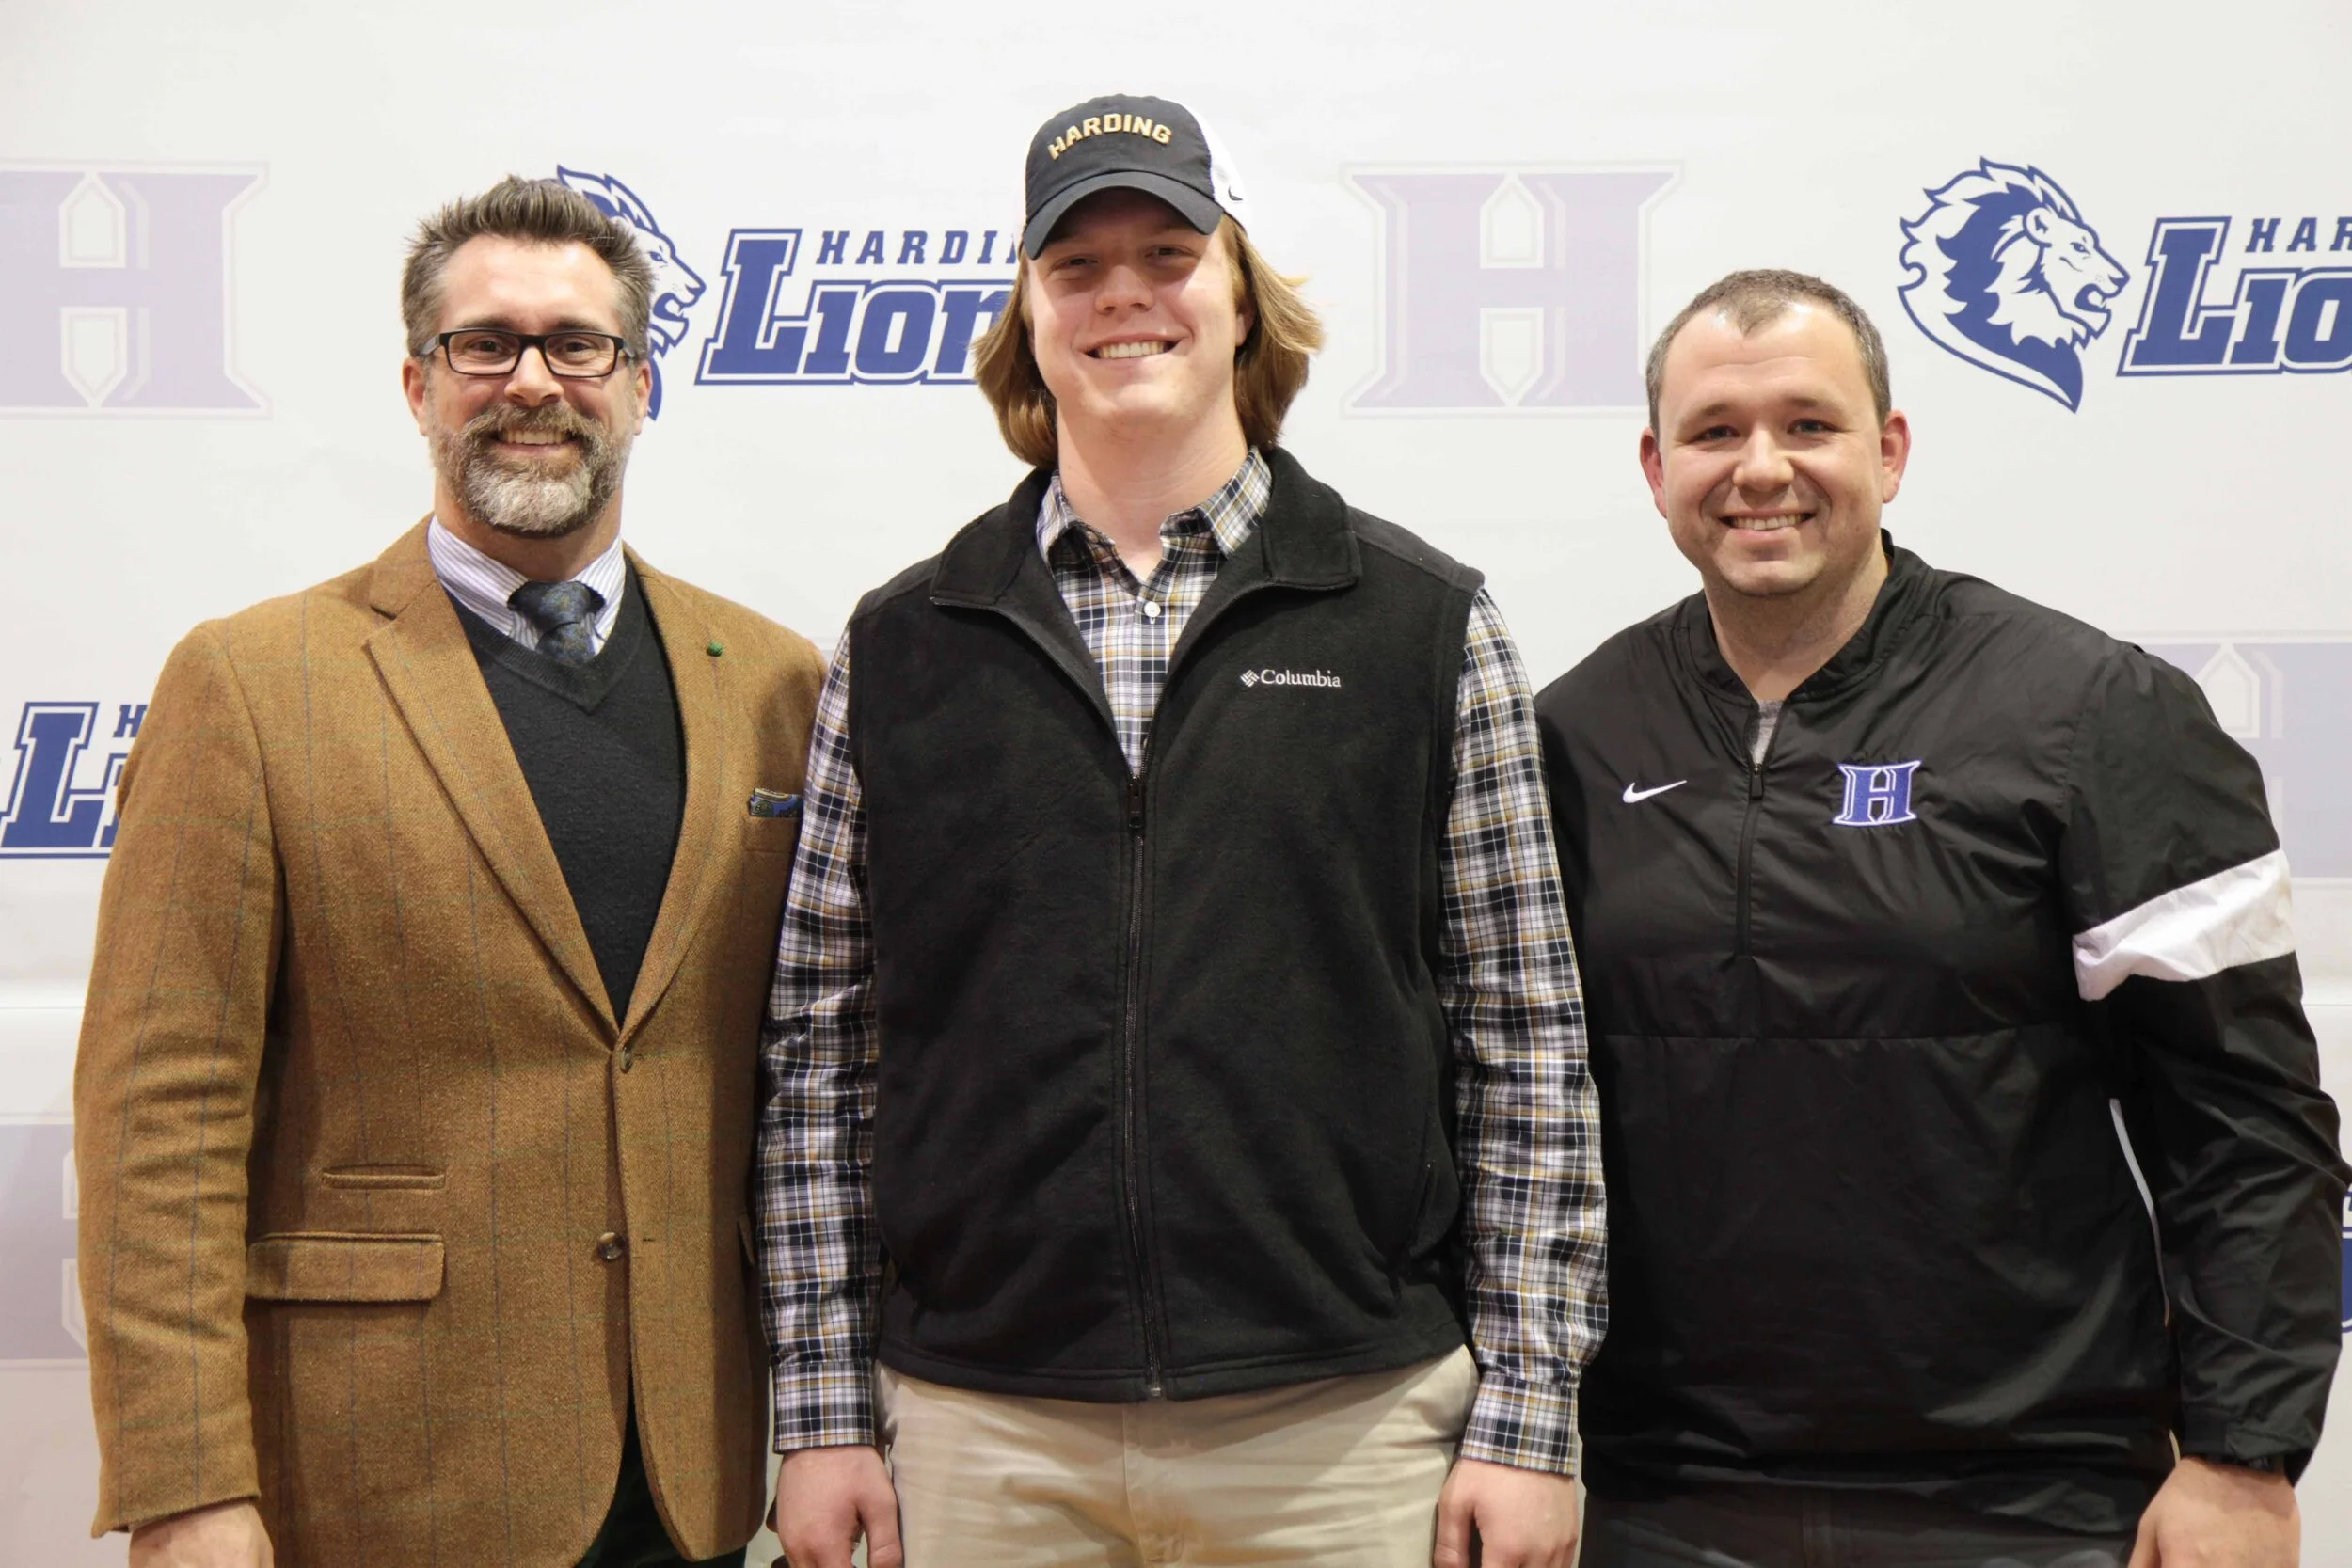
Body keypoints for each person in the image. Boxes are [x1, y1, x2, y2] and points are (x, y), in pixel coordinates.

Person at [757, 95, 1605, 1568]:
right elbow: (824, 1050)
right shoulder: (901, 645)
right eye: (1075, 266)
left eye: (1168, 252)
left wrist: (1531, 1413)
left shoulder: (1422, 624)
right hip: (980, 1431)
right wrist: (822, 1407)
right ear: (1029, 317)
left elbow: (1526, 1037)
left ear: (1241, 296)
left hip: (1347, 1428)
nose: (1123, 295)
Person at [1534, 268, 2348, 1568]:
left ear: (1891, 451)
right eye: (1715, 432)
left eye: (1809, 425)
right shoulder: (1571, 737)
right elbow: (1508, 1120)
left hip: (2031, 1499)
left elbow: (2244, 1118)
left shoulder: (2093, 714)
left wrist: (2243, 1457)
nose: (1762, 469)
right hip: (1661, 1495)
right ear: (1655, 467)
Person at [72, 177, 825, 1568]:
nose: (532, 381)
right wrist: (184, 1482)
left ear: (640, 384)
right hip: (379, 1474)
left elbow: (816, 1082)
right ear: (419, 385)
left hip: (697, 1470)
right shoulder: (251, 683)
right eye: (486, 344)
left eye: (577, 344)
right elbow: (158, 1118)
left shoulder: (779, 683)